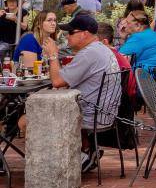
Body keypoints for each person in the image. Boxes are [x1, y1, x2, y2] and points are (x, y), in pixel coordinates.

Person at [35, 14, 121, 169]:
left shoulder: (89, 54)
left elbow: (57, 82)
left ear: (84, 34)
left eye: (71, 33)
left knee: (28, 120)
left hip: (93, 115)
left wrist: (53, 55)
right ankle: (86, 150)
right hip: (105, 112)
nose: (67, 37)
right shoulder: (101, 49)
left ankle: (50, 165)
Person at [118, 10, 156, 85]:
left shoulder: (138, 37)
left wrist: (122, 38)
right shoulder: (152, 34)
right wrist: (123, 38)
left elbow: (117, 61)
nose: (125, 26)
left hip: (148, 85)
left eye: (128, 23)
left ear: (137, 26)